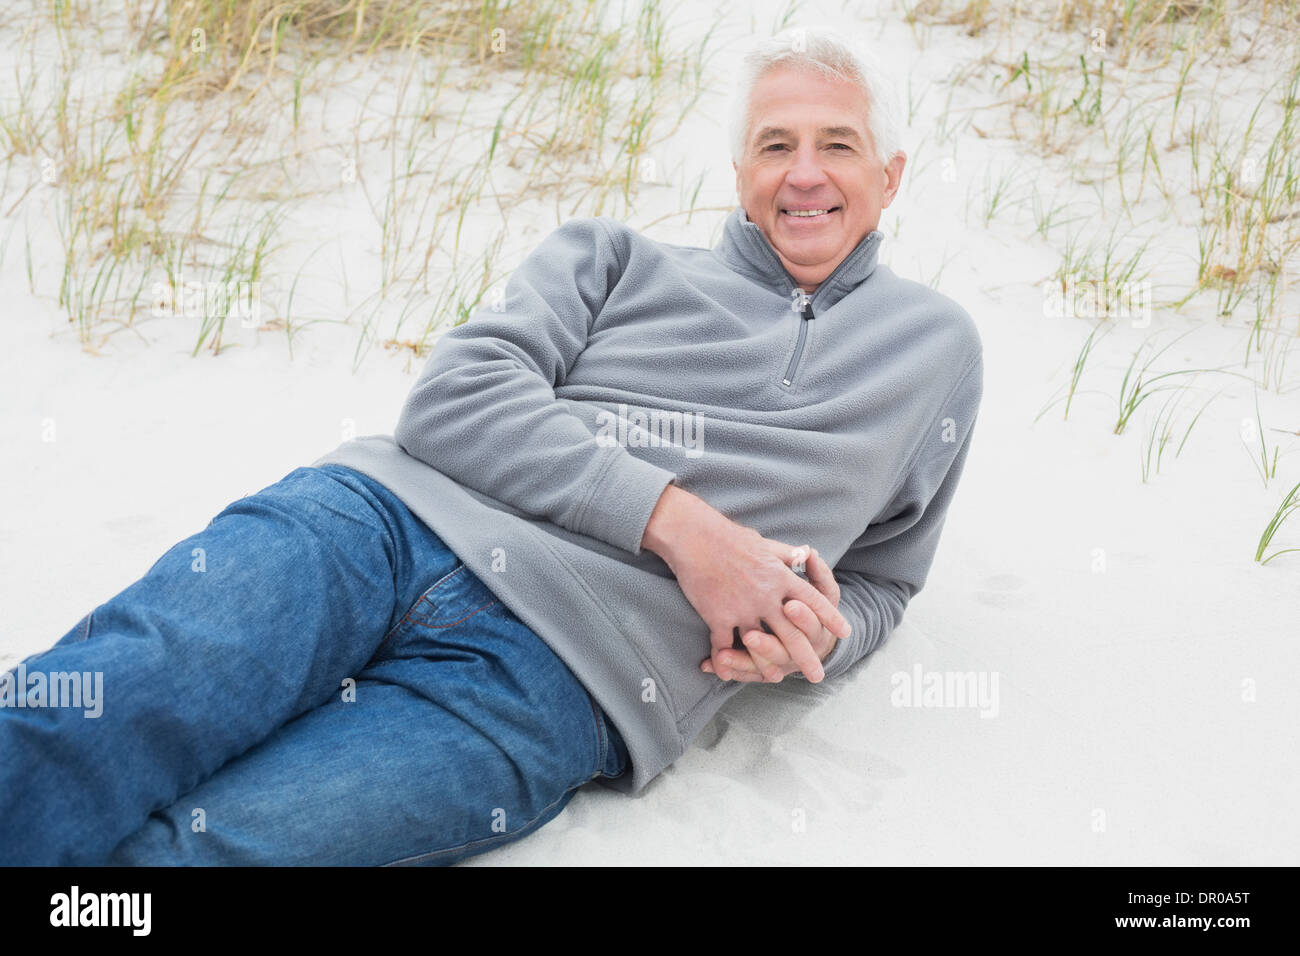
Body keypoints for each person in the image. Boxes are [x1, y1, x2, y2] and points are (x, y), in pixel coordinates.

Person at [0, 26, 983, 865]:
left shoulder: (934, 352)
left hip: (561, 678)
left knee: (214, 847)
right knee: (92, 712)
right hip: (382, 527)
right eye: (775, 144)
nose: (802, 173)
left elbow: (886, 579)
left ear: (888, 175)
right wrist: (688, 532)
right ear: (739, 175)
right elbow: (455, 397)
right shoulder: (610, 256)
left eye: (837, 145)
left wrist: (819, 633)